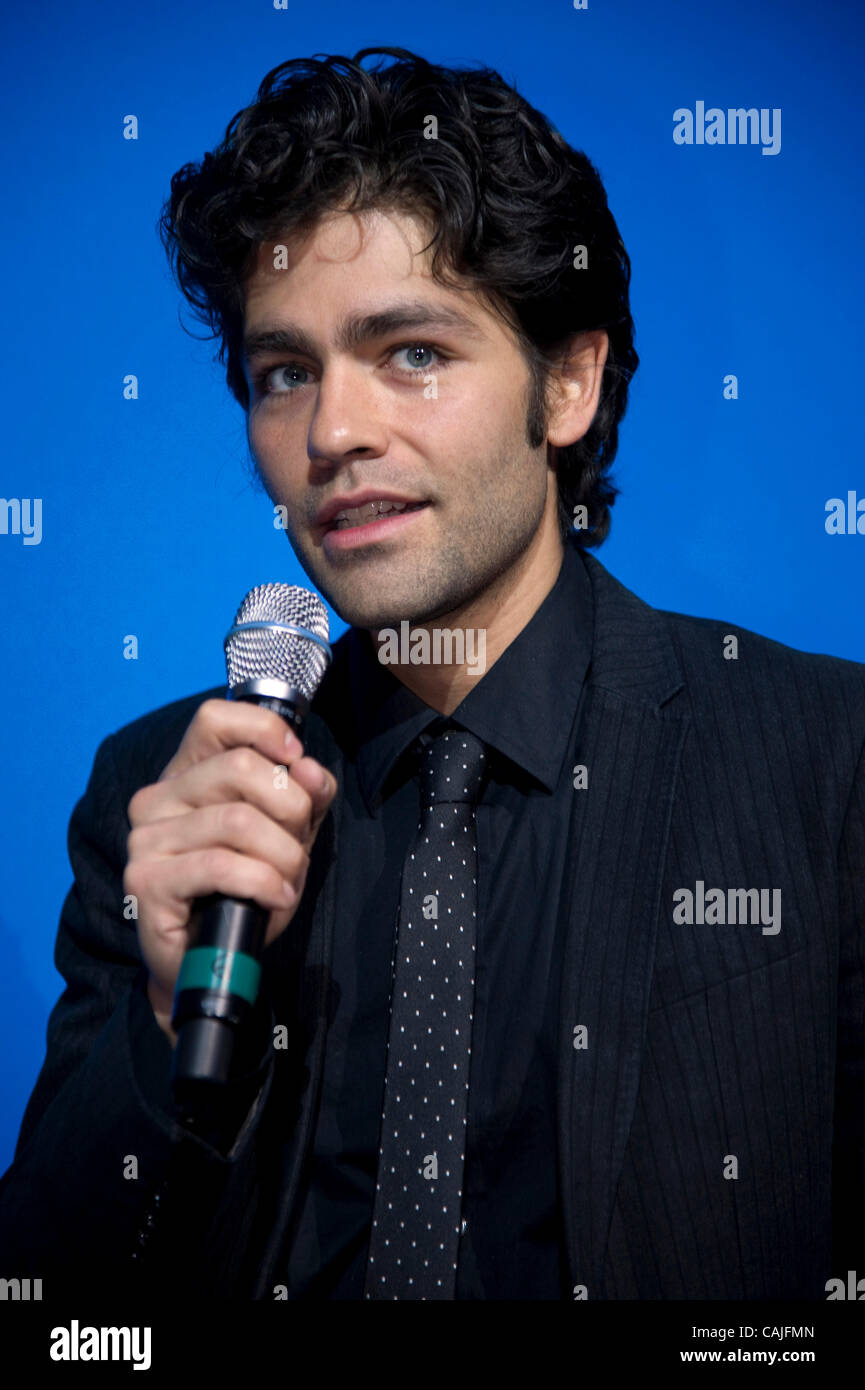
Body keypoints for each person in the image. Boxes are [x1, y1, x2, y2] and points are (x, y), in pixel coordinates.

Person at [1, 46, 862, 1302]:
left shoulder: (825, 762)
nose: (334, 432)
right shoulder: (172, 789)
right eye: (283, 372)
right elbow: (55, 1307)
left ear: (568, 382)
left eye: (409, 351)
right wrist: (161, 1005)